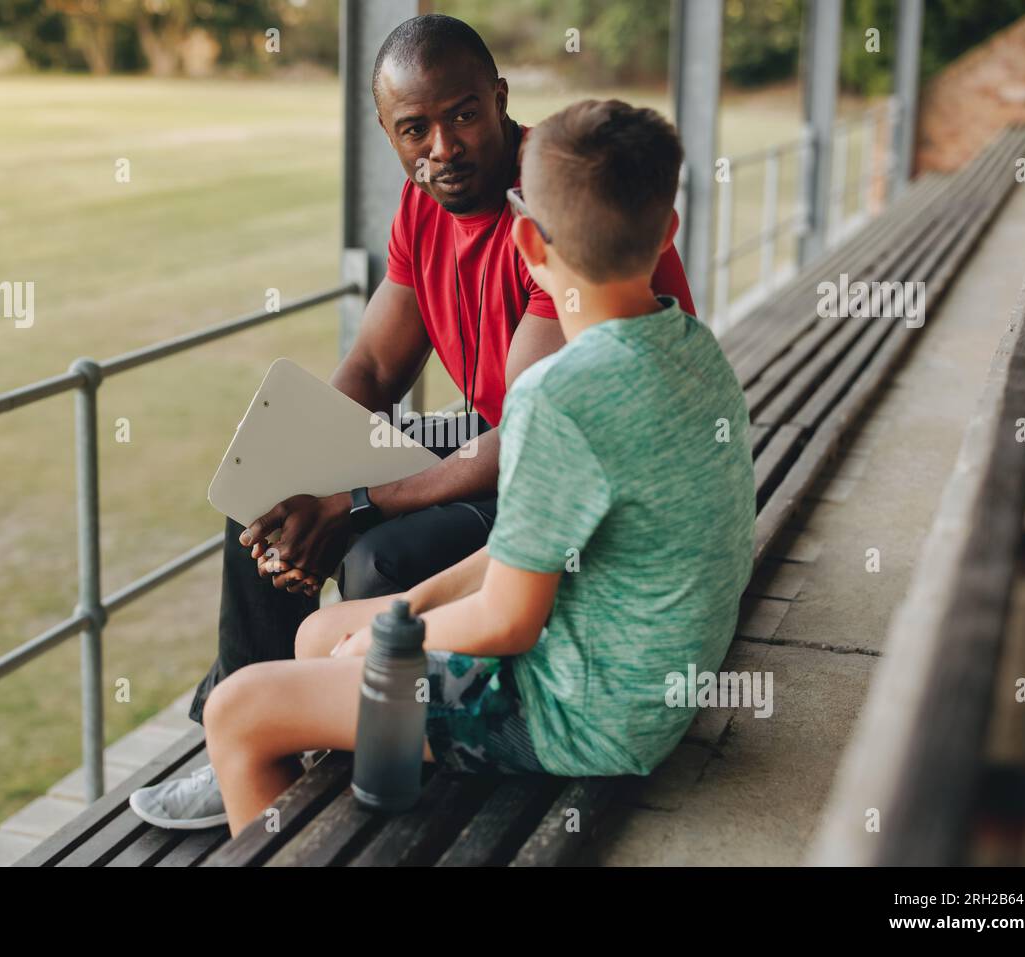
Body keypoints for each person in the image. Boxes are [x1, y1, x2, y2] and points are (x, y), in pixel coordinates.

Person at [129, 13, 694, 830]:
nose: (443, 147)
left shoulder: (555, 211)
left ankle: (375, 766)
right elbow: (373, 369)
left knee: (377, 560)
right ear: (391, 135)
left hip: (565, 484)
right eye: (414, 129)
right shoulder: (422, 203)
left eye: (463, 114)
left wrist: (354, 502)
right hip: (492, 441)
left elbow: (525, 442)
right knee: (267, 481)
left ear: (500, 100)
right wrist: (309, 466)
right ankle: (244, 731)